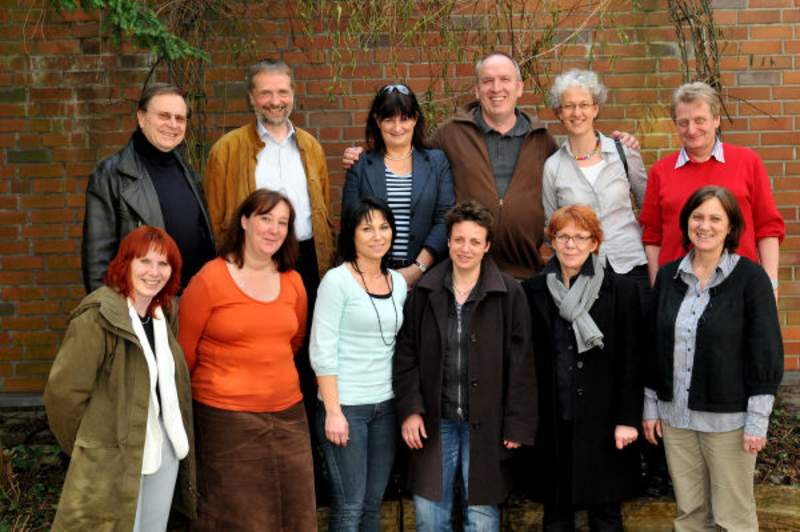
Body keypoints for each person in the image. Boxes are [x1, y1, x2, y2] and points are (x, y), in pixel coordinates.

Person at [344, 52, 640, 279]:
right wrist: (367, 154)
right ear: (476, 90)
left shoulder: (542, 141)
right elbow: (409, 153)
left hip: (526, 273)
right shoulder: (450, 134)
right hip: (466, 272)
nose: (496, 88)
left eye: (504, 80)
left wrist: (620, 143)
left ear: (519, 87)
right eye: (487, 81)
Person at [642, 186, 784, 532]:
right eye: (697, 216)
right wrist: (650, 406)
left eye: (715, 218)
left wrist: (757, 420)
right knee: (690, 515)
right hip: (677, 421)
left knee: (733, 519)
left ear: (731, 226)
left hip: (729, 424)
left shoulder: (751, 279)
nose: (705, 225)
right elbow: (653, 345)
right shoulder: (669, 275)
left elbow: (765, 351)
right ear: (686, 222)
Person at [394, 200, 537, 531]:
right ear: (448, 242)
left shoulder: (509, 293)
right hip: (434, 420)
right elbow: (406, 355)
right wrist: (411, 409)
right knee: (430, 516)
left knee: (482, 518)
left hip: (487, 423)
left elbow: (522, 364)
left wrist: (517, 423)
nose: (465, 248)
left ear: (487, 246)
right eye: (459, 240)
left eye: (475, 241)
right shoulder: (425, 292)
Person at [178, 190, 316, 530]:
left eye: (283, 223)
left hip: (288, 416)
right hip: (226, 420)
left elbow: (294, 341)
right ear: (244, 221)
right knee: (236, 517)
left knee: (295, 512)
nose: (273, 229)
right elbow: (184, 352)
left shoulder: (293, 282)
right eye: (265, 219)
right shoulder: (210, 279)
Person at [45, 226, 195, 531]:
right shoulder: (96, 318)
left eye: (163, 263)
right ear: (125, 263)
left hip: (163, 449)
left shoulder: (163, 313)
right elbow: (63, 397)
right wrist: (91, 448)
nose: (154, 272)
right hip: (115, 455)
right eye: (144, 261)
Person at [522, 204, 642, 531]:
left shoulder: (621, 290)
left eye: (580, 237)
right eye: (563, 237)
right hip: (554, 421)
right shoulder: (533, 291)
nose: (571, 245)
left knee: (605, 518)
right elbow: (526, 362)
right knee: (556, 518)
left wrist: (628, 420)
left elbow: (632, 360)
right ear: (552, 241)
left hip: (605, 425)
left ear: (595, 243)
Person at [310, 197, 408, 531]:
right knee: (349, 505)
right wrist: (334, 411)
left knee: (371, 504)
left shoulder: (399, 283)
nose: (377, 235)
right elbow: (322, 349)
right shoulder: (336, 282)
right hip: (346, 407)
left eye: (384, 227)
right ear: (351, 235)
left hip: (386, 406)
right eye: (367, 228)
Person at [639, 81, 784, 291]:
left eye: (700, 120)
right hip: (678, 287)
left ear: (716, 119)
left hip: (739, 286)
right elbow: (652, 237)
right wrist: (658, 289)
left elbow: (768, 228)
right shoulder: (660, 171)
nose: (691, 129)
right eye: (683, 122)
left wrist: (770, 283)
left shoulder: (747, 161)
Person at [81, 83, 215, 293]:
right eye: (164, 115)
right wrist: (109, 315)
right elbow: (97, 260)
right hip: (140, 304)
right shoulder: (111, 175)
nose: (173, 124)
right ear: (141, 118)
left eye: (179, 118)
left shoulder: (188, 173)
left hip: (191, 302)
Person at [342, 83, 455, 287]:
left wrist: (417, 269)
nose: (397, 127)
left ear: (416, 119)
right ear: (377, 120)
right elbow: (350, 224)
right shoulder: (360, 165)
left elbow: (444, 219)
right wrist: (374, 274)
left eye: (405, 118)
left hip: (427, 277)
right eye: (389, 119)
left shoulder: (437, 162)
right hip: (372, 277)